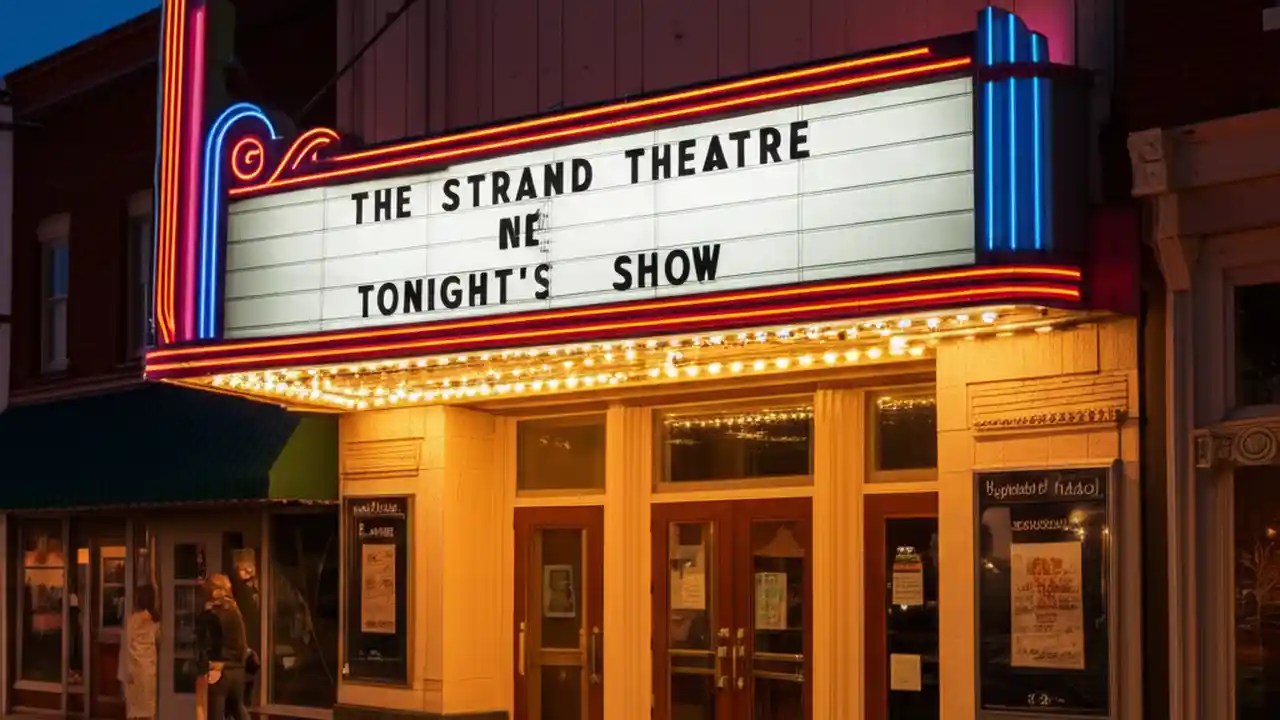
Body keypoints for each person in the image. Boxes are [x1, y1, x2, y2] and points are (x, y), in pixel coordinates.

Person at [196, 574, 251, 720]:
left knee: (215, 714)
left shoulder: (211, 615)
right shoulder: (235, 611)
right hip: (237, 671)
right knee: (238, 708)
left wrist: (208, 668)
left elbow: (204, 643)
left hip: (218, 671)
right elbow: (242, 646)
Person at [118, 585, 160, 720]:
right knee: (148, 710)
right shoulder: (155, 622)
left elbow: (126, 645)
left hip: (133, 671)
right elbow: (160, 640)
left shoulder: (132, 620)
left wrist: (123, 673)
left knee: (134, 710)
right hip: (149, 670)